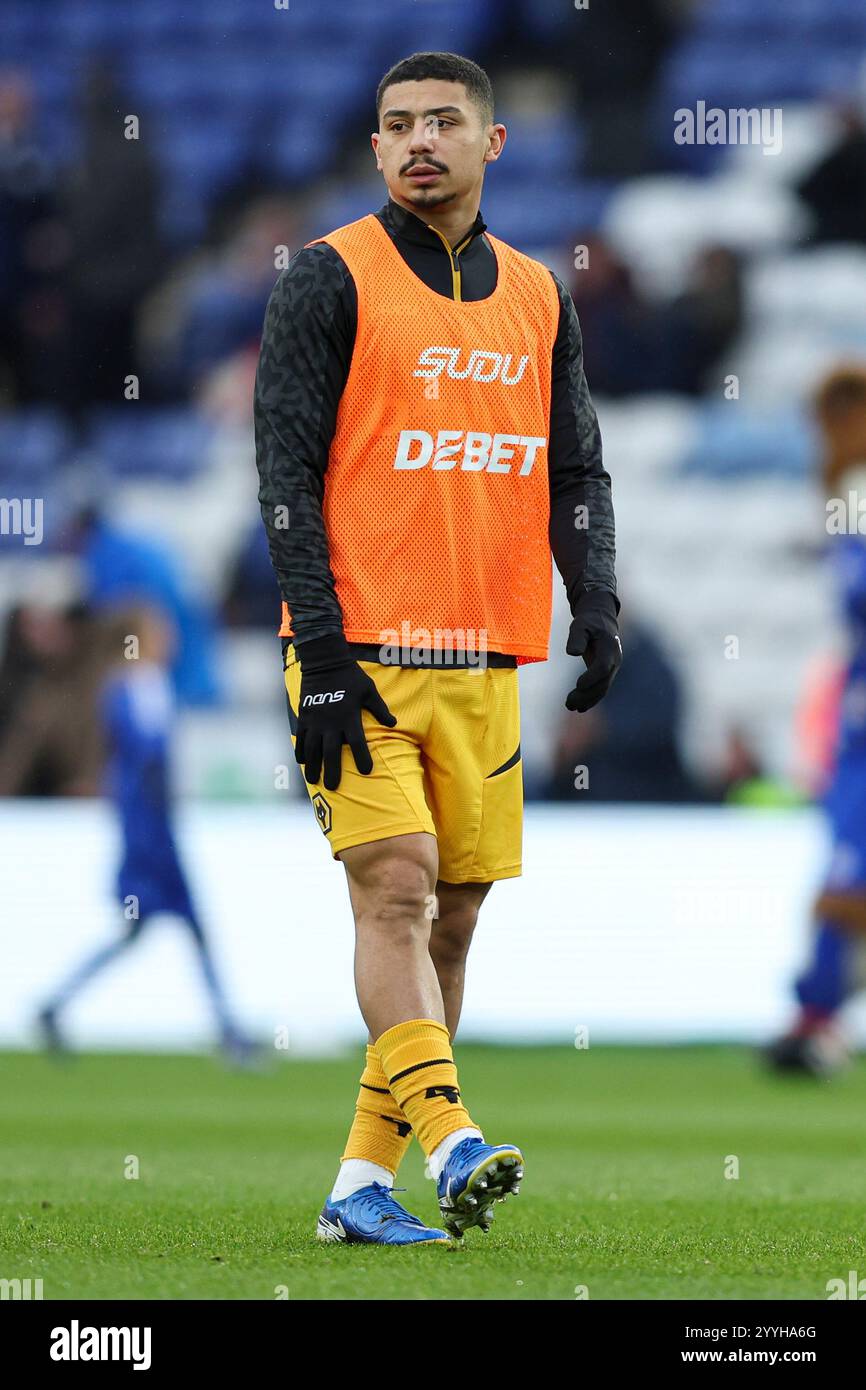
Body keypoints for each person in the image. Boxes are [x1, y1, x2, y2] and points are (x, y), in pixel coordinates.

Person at [255, 51, 621, 1245]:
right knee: (396, 885)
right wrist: (317, 641)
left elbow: (573, 466)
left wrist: (597, 601)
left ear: (491, 143)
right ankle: (454, 1138)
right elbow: (285, 475)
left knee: (450, 921)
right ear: (373, 149)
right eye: (396, 125)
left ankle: (360, 1185)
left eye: (442, 123)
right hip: (356, 648)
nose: (418, 141)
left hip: (485, 655)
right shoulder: (327, 278)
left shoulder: (537, 295)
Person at [37, 607, 251, 1063]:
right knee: (183, 926)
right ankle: (229, 1031)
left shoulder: (143, 685)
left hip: (153, 826)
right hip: (148, 831)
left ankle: (56, 1005)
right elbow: (141, 760)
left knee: (153, 930)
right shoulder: (132, 687)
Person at [765, 366, 866, 1076]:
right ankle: (818, 1013)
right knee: (841, 871)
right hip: (857, 732)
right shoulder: (845, 498)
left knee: (845, 876)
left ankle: (819, 1012)